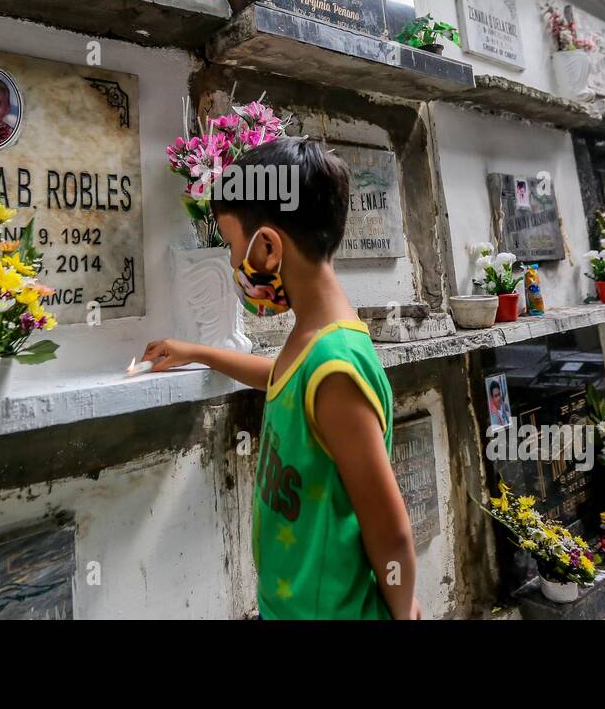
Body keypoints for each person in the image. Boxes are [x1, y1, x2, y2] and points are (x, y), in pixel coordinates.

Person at [142, 137, 419, 620]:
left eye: (231, 245)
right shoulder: (312, 345)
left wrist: (401, 609)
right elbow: (284, 378)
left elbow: (390, 531)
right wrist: (200, 353)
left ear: (268, 246)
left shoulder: (334, 368)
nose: (233, 263)